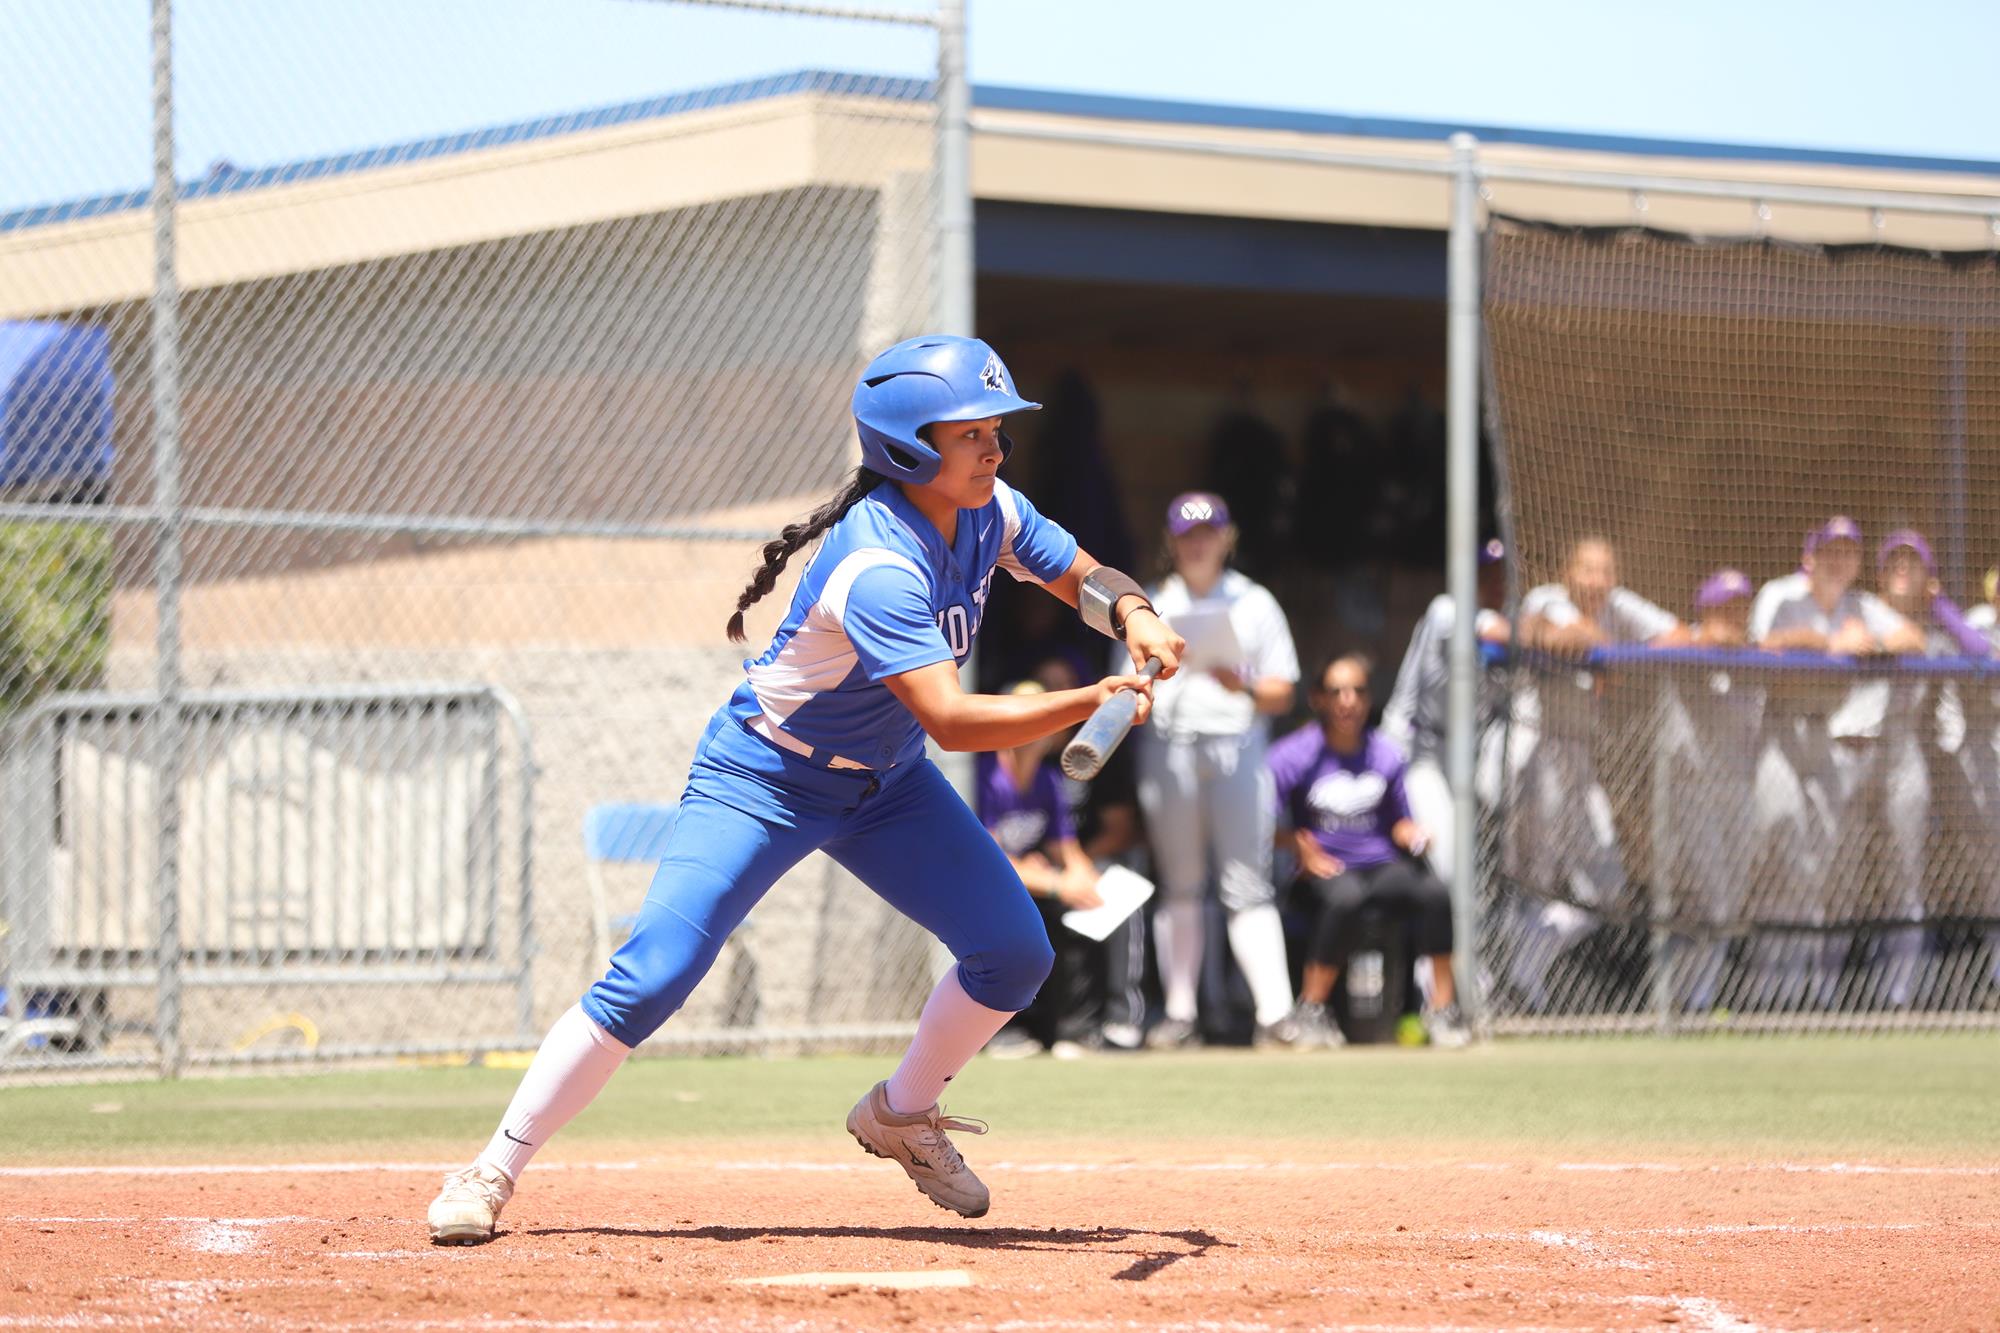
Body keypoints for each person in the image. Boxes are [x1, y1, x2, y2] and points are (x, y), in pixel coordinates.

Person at [424, 334, 1183, 1243]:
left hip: (887, 785)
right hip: (765, 776)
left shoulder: (989, 509)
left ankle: (900, 1114)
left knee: (1015, 953)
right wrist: (1087, 698)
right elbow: (950, 719)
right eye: (971, 433)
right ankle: (491, 1167)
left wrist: (1134, 612)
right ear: (908, 449)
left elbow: (1076, 572)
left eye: (996, 431)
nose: (995, 449)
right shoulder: (879, 565)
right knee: (654, 972)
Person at [1131, 492, 1302, 1047]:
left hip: (1237, 745)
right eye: (1187, 534)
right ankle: (1180, 1016)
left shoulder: (1255, 602)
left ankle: (1275, 1017)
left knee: (1248, 885)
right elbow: (1128, 686)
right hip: (1170, 746)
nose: (1197, 543)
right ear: (1171, 540)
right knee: (1181, 884)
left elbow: (1283, 691)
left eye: (1208, 533)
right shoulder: (1151, 602)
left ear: (1227, 539)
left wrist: (1242, 683)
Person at [1747, 517, 1923, 1009]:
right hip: (1780, 730)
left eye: (1849, 550)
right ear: (1810, 556)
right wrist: (1829, 644)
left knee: (1818, 863)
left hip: (1822, 733)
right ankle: (1765, 993)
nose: (1840, 558)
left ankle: (1800, 994)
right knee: (1782, 846)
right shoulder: (1781, 594)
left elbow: (1913, 637)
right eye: (1831, 549)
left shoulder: (1859, 606)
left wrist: (1876, 643)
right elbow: (1767, 645)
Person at [1506, 535, 1685, 1011]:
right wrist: (1606, 650)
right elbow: (1559, 635)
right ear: (1568, 572)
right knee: (1530, 878)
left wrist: (1613, 654)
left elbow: (1679, 636)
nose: (1596, 580)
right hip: (1533, 749)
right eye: (1587, 569)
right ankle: (1511, 985)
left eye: (1605, 570)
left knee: (1607, 887)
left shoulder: (1617, 603)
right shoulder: (1547, 598)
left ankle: (1521, 970)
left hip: (1578, 759)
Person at [1268, 653, 1469, 1049]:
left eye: (1358, 691)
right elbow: (1263, 826)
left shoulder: (1386, 753)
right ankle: (1311, 1009)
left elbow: (1397, 820)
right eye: (1337, 692)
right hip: (1323, 869)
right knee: (1346, 897)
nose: (1348, 701)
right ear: (1318, 699)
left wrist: (1412, 833)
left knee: (1433, 892)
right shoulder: (1291, 755)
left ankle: (1443, 1010)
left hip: (1379, 864)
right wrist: (1299, 848)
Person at [976, 681, 1122, 1059]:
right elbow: (987, 859)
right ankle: (1006, 1031)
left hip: (1033, 882)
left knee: (1087, 911)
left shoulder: (1046, 778)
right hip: (987, 886)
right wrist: (1057, 883)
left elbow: (1067, 849)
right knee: (1015, 927)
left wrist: (1089, 884)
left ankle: (1076, 1030)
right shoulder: (986, 776)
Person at [1651, 569, 1763, 1012]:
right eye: (1726, 606)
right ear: (1708, 609)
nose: (1735, 614)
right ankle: (1683, 998)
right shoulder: (1689, 639)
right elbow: (1661, 645)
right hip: (1692, 788)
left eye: (1741, 605)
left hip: (1738, 787)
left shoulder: (1755, 649)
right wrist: (1709, 638)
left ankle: (1699, 995)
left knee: (1730, 900)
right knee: (1709, 896)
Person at [1380, 536, 1512, 888]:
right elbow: (1498, 632)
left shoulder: (1508, 624)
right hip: (1417, 747)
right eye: (1487, 574)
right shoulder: (1447, 610)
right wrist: (1550, 636)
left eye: (1503, 574)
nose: (1496, 583)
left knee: (1480, 861)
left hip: (1466, 752)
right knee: (1447, 864)